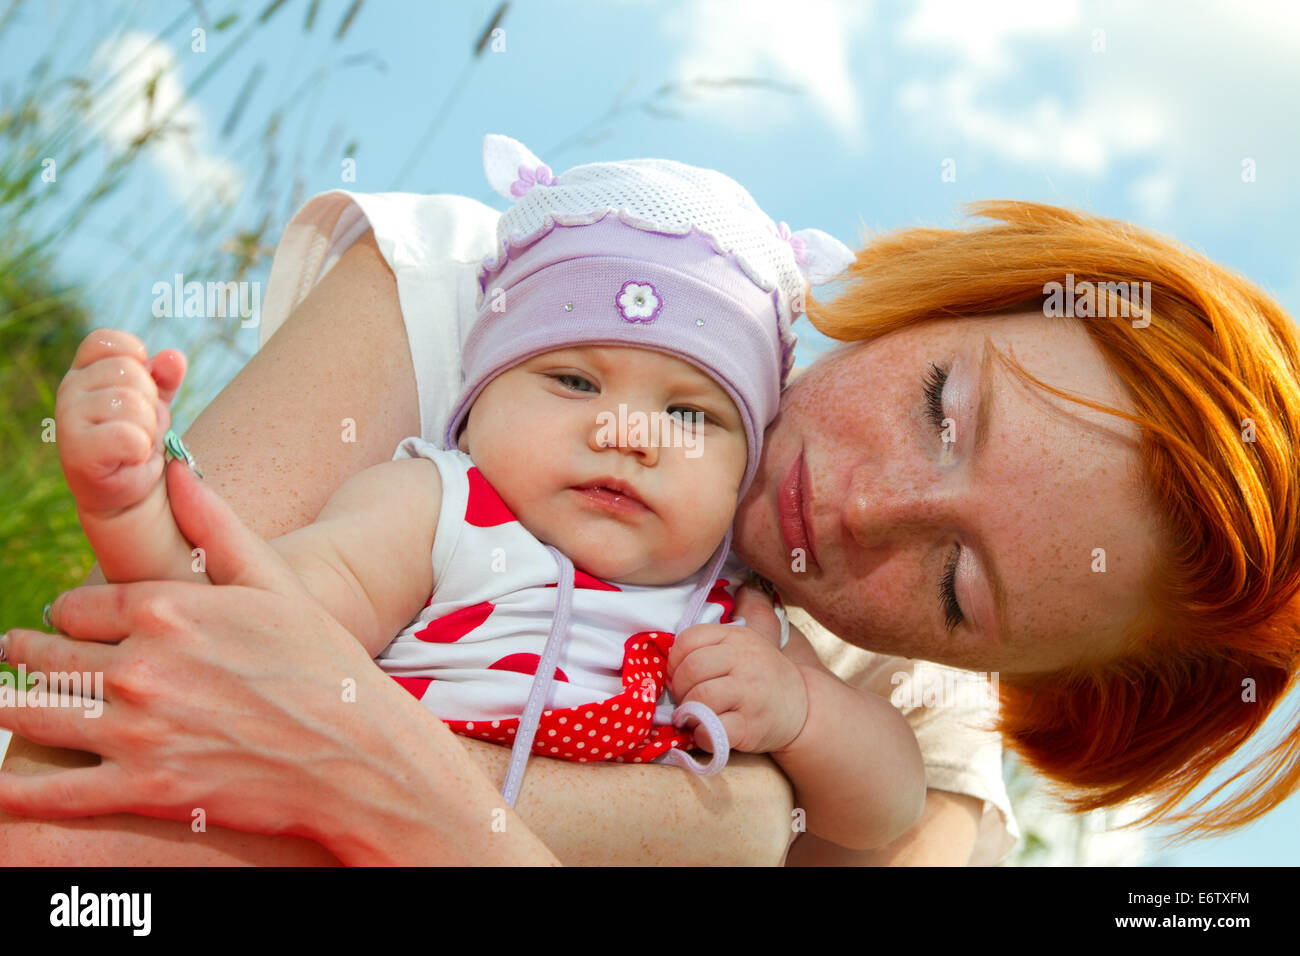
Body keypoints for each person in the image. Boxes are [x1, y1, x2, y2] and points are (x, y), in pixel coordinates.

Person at [2, 181, 1296, 865]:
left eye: (958, 586)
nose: (859, 505)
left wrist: (418, 809)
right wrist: (709, 827)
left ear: (1012, 679)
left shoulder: (901, 736)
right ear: (972, 294)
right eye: (942, 405)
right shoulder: (520, 295)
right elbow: (82, 763)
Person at [43, 138, 925, 850]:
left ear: (744, 469)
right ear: (476, 405)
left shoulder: (732, 613)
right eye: (575, 383)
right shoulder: (439, 511)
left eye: (690, 416)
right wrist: (132, 510)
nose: (626, 433)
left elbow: (886, 810)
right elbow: (241, 628)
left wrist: (804, 713)